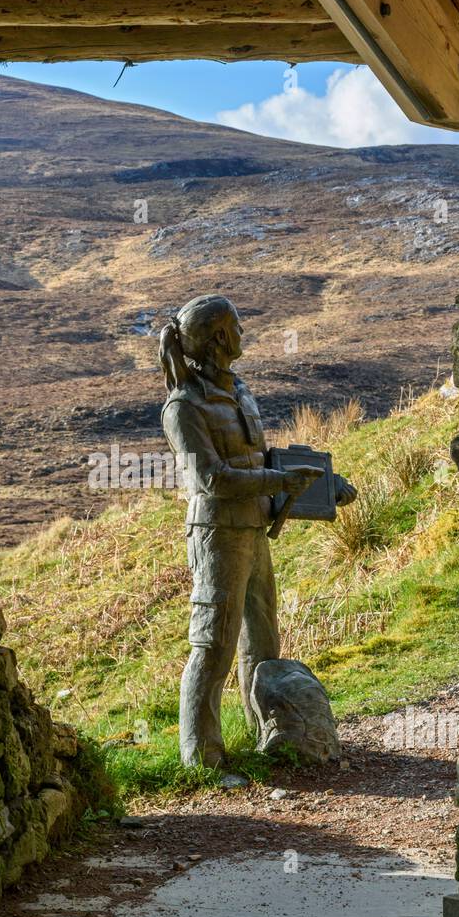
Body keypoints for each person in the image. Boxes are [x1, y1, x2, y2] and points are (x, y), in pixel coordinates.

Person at [159, 294, 356, 768]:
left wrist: (325, 487)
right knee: (213, 644)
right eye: (238, 327)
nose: (244, 333)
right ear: (220, 337)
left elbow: (262, 462)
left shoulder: (240, 391)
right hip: (217, 535)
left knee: (262, 641)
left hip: (253, 528)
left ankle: (270, 735)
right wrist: (281, 482)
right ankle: (201, 757)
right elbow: (211, 479)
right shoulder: (183, 407)